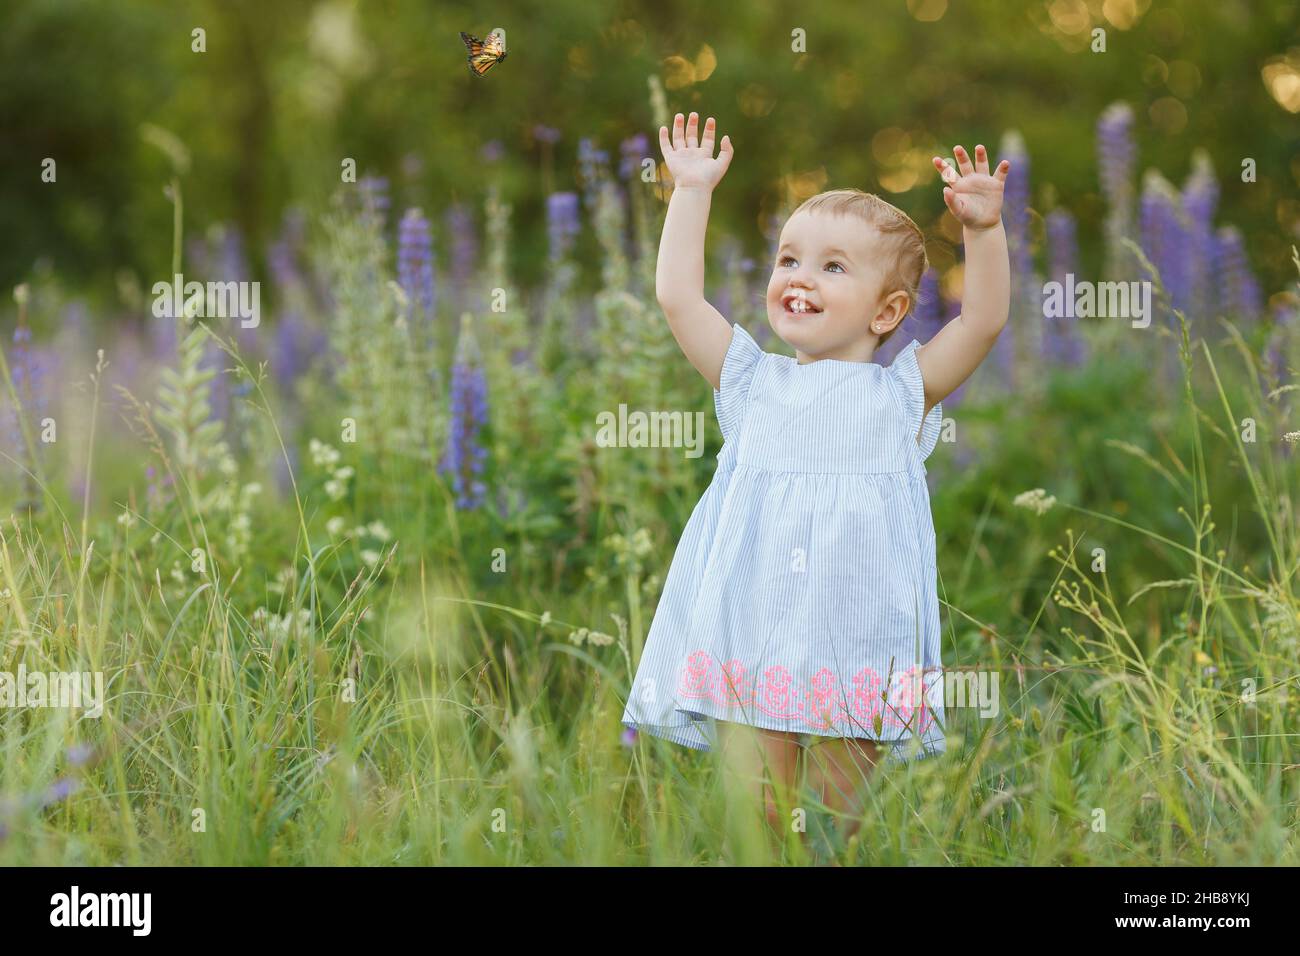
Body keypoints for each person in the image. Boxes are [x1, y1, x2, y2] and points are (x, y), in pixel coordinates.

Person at [621, 111, 1011, 847]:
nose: (799, 279)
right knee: (766, 820)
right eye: (789, 260)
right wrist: (692, 190)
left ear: (889, 310)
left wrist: (984, 233)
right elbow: (679, 297)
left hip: (857, 643)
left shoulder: (902, 394)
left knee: (829, 829)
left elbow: (984, 322)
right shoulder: (749, 382)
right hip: (755, 632)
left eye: (833, 267)